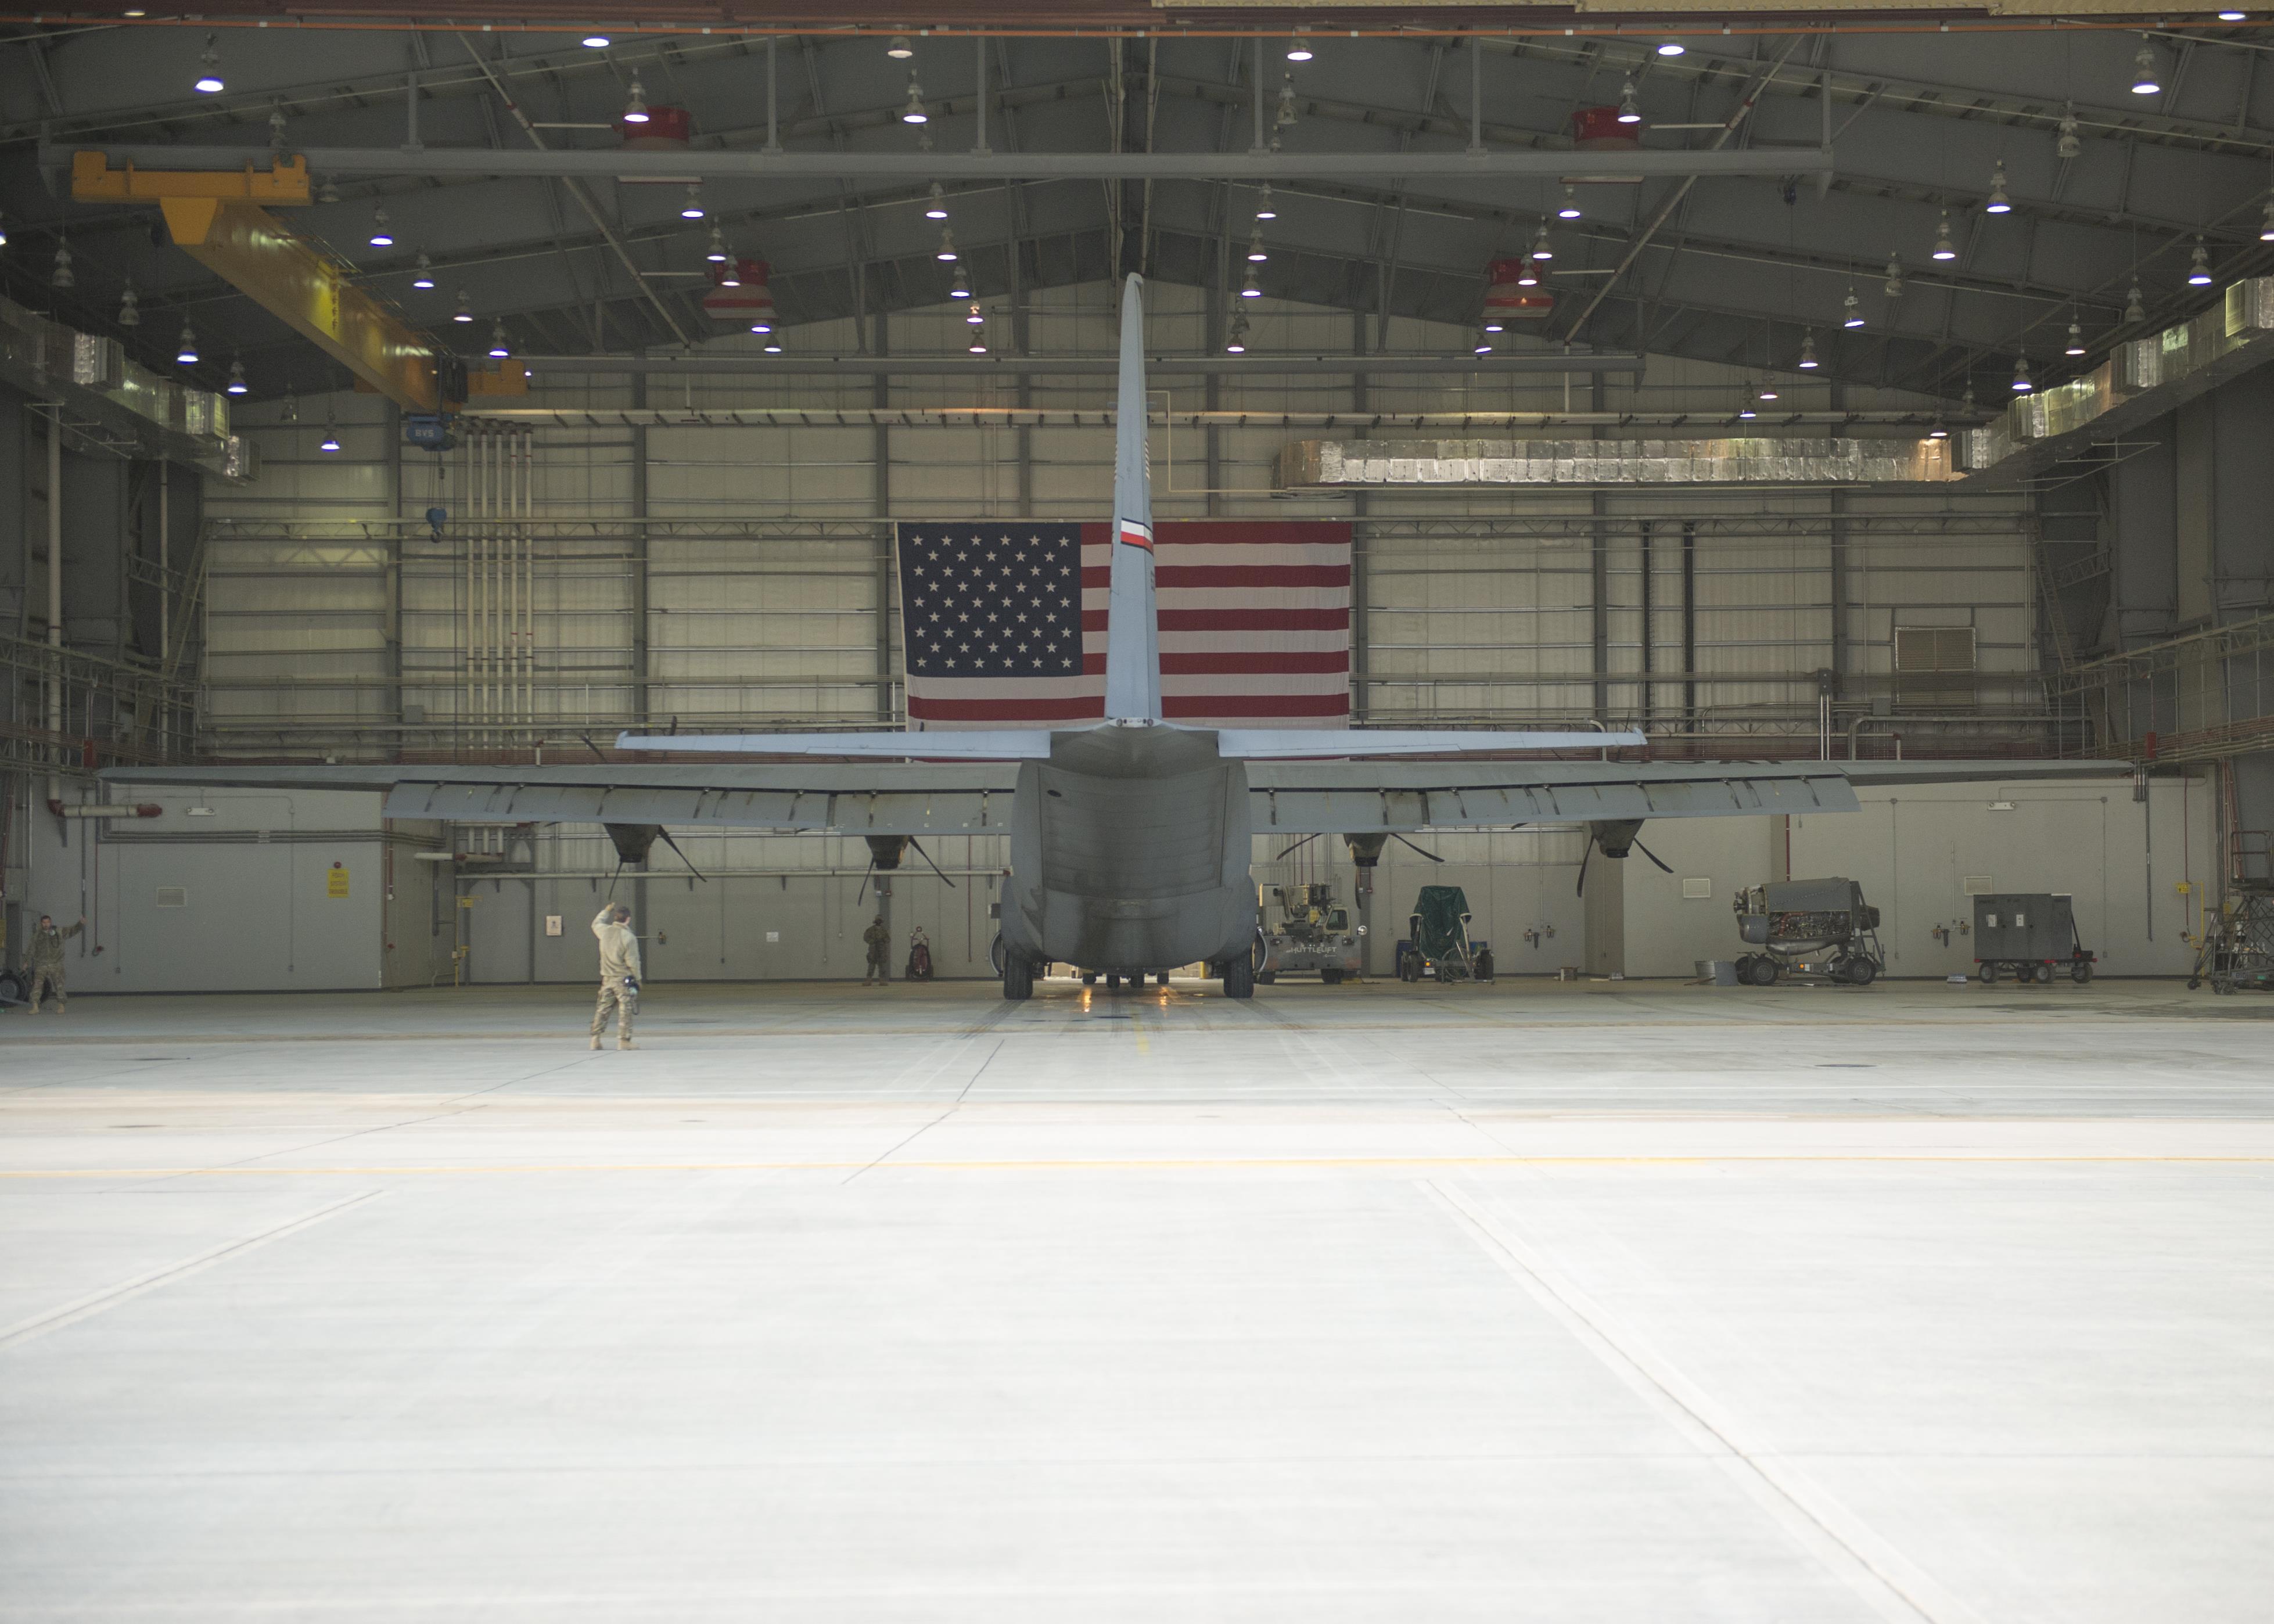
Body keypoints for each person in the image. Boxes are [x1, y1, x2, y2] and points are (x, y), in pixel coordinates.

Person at [590, 903, 641, 1050]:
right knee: (626, 1009)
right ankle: (624, 1041)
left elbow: (596, 924)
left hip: (607, 979)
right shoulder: (628, 937)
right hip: (622, 980)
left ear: (616, 918)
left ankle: (595, 1039)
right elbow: (633, 962)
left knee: (602, 1009)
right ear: (628, 919)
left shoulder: (604, 932)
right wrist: (638, 979)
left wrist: (605, 910)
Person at [25, 914, 84, 1015]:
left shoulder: (59, 932)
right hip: (41, 963)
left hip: (56, 963)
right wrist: (27, 962)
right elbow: (31, 949)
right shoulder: (37, 935)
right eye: (44, 923)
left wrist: (80, 924)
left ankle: (61, 1006)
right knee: (37, 986)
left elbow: (72, 931)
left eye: (48, 922)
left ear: (50, 923)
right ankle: (35, 1007)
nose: (46, 924)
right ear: (41, 923)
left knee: (59, 985)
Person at [862, 914, 890, 986]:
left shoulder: (884, 930)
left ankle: (882, 980)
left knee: (882, 965)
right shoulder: (871, 929)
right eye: (878, 920)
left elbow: (888, 939)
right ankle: (869, 980)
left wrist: (883, 941)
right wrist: (872, 941)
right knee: (872, 965)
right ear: (875, 921)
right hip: (873, 949)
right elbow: (866, 937)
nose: (879, 922)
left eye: (880, 920)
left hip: (882, 949)